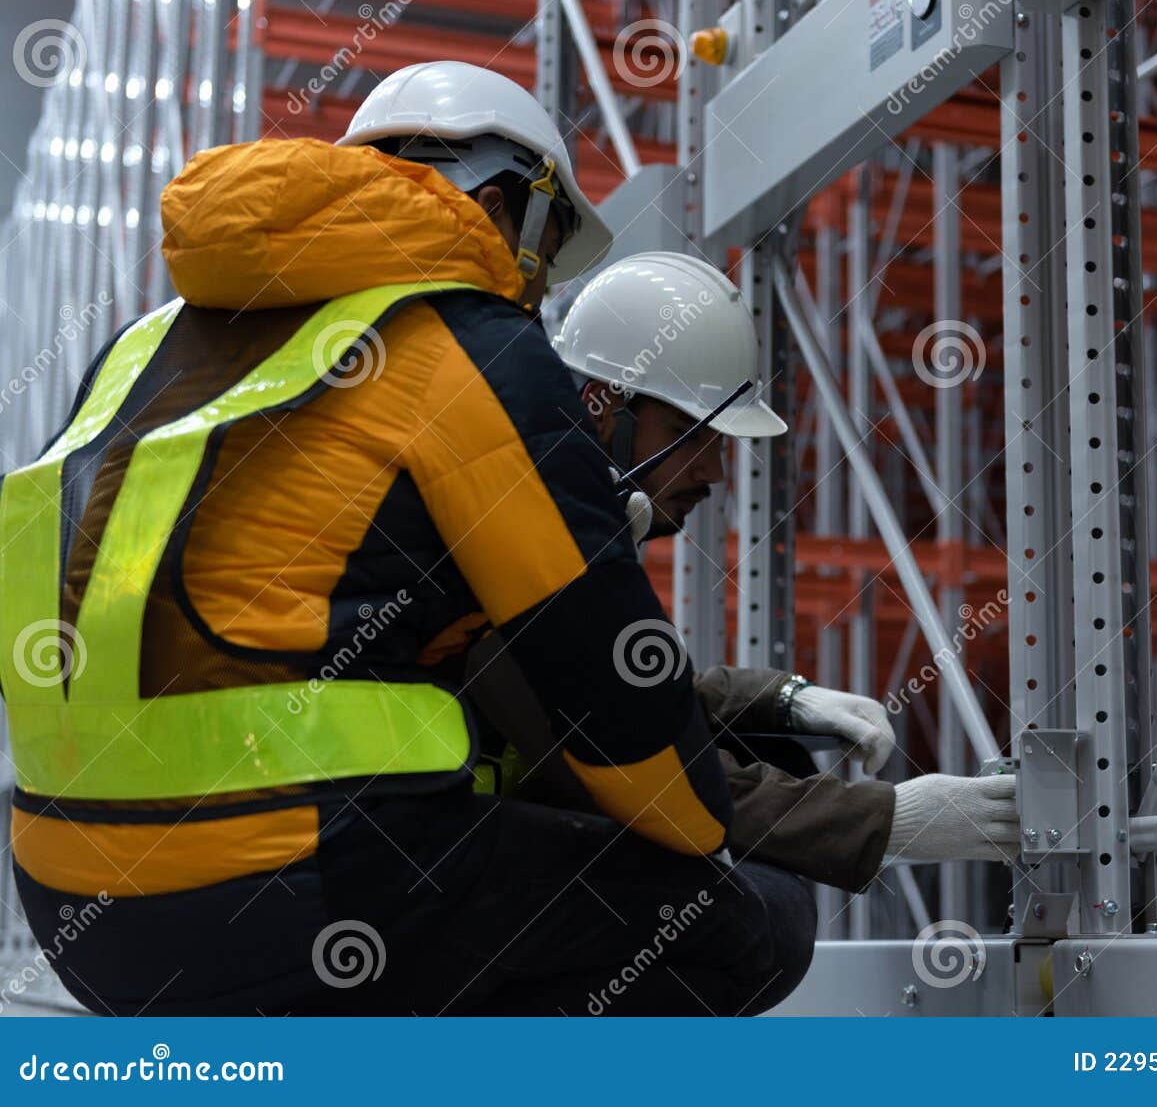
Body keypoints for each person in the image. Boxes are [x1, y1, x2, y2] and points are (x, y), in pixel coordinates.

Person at [3, 61, 812, 1016]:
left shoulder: (142, 347)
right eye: (545, 248)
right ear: (512, 203)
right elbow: (616, 710)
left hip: (75, 910)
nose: (536, 284)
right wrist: (731, 830)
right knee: (750, 923)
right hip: (292, 896)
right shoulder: (466, 343)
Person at [462, 249, 1021, 894]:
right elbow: (621, 743)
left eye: (718, 442)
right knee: (757, 912)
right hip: (436, 871)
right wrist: (887, 821)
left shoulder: (535, 504)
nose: (714, 472)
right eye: (689, 434)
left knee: (770, 751)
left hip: (455, 840)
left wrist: (780, 698)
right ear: (599, 407)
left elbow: (606, 693)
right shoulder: (518, 531)